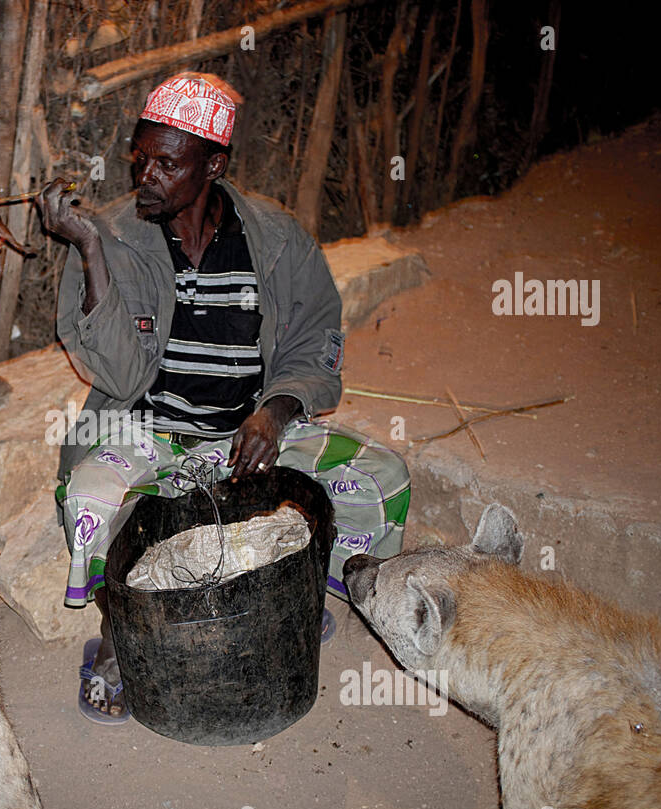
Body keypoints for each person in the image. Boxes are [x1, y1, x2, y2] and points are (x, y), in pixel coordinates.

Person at [34, 73, 411, 724]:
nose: (146, 174)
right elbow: (119, 375)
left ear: (214, 165)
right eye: (140, 158)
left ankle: (295, 594)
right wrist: (89, 248)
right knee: (92, 497)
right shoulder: (115, 238)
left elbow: (317, 339)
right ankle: (126, 632)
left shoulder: (275, 239)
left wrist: (278, 407)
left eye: (167, 163)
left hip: (246, 434)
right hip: (143, 430)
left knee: (380, 478)